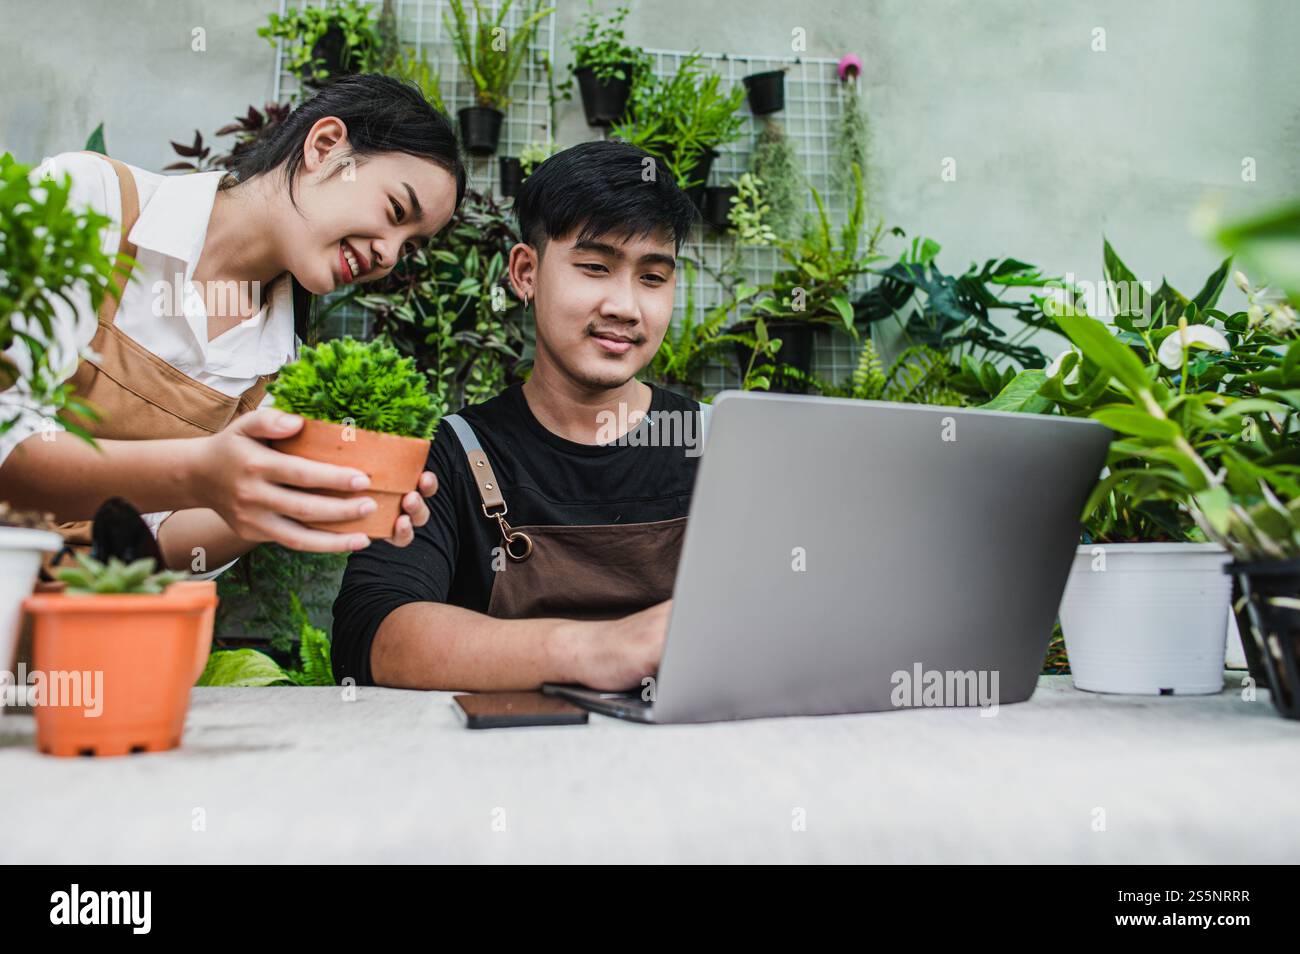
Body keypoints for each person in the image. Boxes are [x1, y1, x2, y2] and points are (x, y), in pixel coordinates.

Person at [0, 74, 465, 577]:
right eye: (397, 210)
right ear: (326, 147)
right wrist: (201, 471)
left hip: (78, 625)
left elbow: (163, 548)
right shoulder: (91, 201)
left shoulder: (280, 372)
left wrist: (287, 497)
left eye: (411, 246)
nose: (389, 255)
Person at [331, 139, 709, 692]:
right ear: (525, 273)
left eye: (652, 278)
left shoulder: (719, 445)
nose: (625, 307)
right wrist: (598, 648)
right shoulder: (452, 452)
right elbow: (371, 635)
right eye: (595, 267)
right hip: (506, 765)